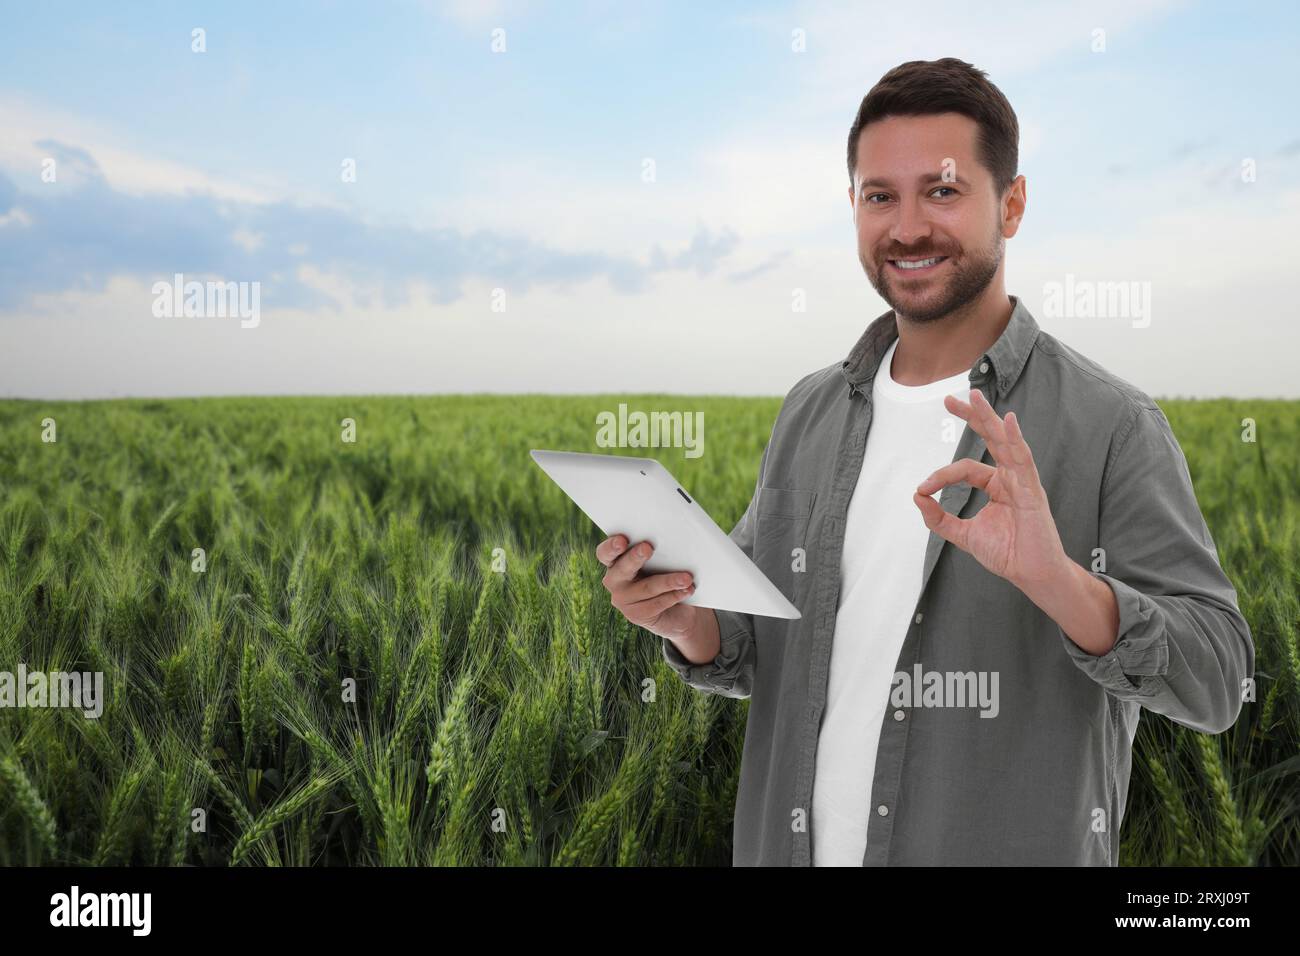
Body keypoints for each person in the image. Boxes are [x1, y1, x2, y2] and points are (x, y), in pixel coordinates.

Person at [595, 57, 1254, 866]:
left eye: (942, 191)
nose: (907, 227)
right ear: (854, 208)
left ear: (1011, 205)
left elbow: (1220, 680)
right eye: (881, 196)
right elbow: (759, 647)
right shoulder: (812, 410)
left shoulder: (1111, 424)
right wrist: (686, 618)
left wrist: (1064, 586)